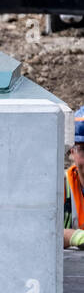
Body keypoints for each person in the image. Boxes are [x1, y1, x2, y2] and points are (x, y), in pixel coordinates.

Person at [63, 106, 84, 248]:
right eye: (83, 149)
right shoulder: (61, 187)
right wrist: (76, 237)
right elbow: (41, 231)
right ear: (72, 151)